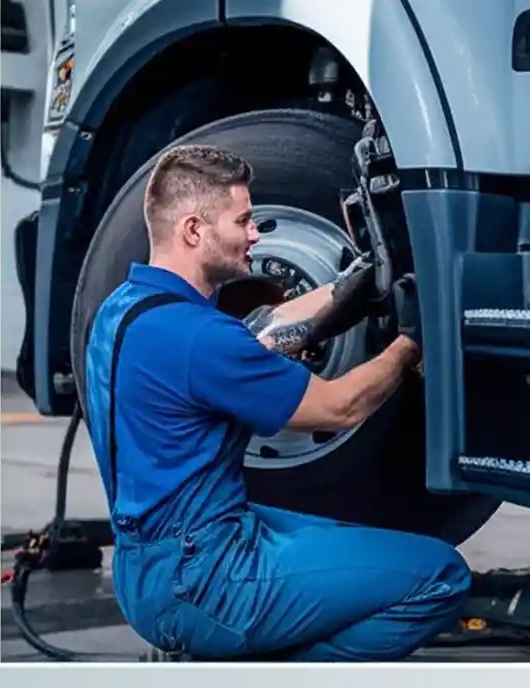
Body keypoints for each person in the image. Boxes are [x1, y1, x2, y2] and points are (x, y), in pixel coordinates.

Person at [82, 144, 471, 661]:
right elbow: (341, 408)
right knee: (441, 574)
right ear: (194, 230)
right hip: (206, 577)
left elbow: (256, 337)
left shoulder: (124, 310)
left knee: (353, 546)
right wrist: (411, 342)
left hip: (145, 566)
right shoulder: (201, 339)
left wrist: (349, 291)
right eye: (242, 220)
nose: (254, 234)